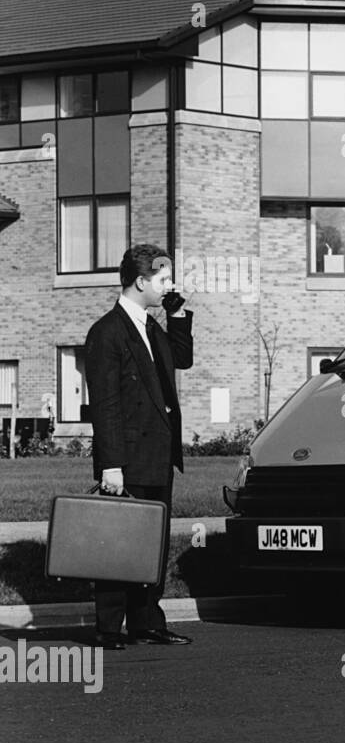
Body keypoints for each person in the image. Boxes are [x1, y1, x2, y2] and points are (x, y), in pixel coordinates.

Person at [84, 244, 194, 650]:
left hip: (158, 455)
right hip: (126, 458)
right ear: (141, 281)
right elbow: (105, 405)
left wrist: (178, 315)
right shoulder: (107, 332)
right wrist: (110, 464)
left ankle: (147, 620)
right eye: (163, 279)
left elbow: (181, 359)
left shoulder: (152, 326)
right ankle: (108, 627)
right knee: (118, 543)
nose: (170, 285)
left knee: (153, 541)